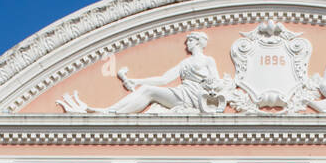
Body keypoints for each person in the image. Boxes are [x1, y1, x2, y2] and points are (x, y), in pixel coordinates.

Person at [58, 33, 225, 115]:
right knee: (147, 89)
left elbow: (216, 82)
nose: (187, 43)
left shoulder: (208, 60)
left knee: (148, 91)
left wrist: (212, 84)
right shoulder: (184, 63)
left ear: (197, 42)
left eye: (190, 40)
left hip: (195, 97)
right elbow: (163, 79)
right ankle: (111, 112)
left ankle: (111, 113)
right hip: (182, 93)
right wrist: (135, 81)